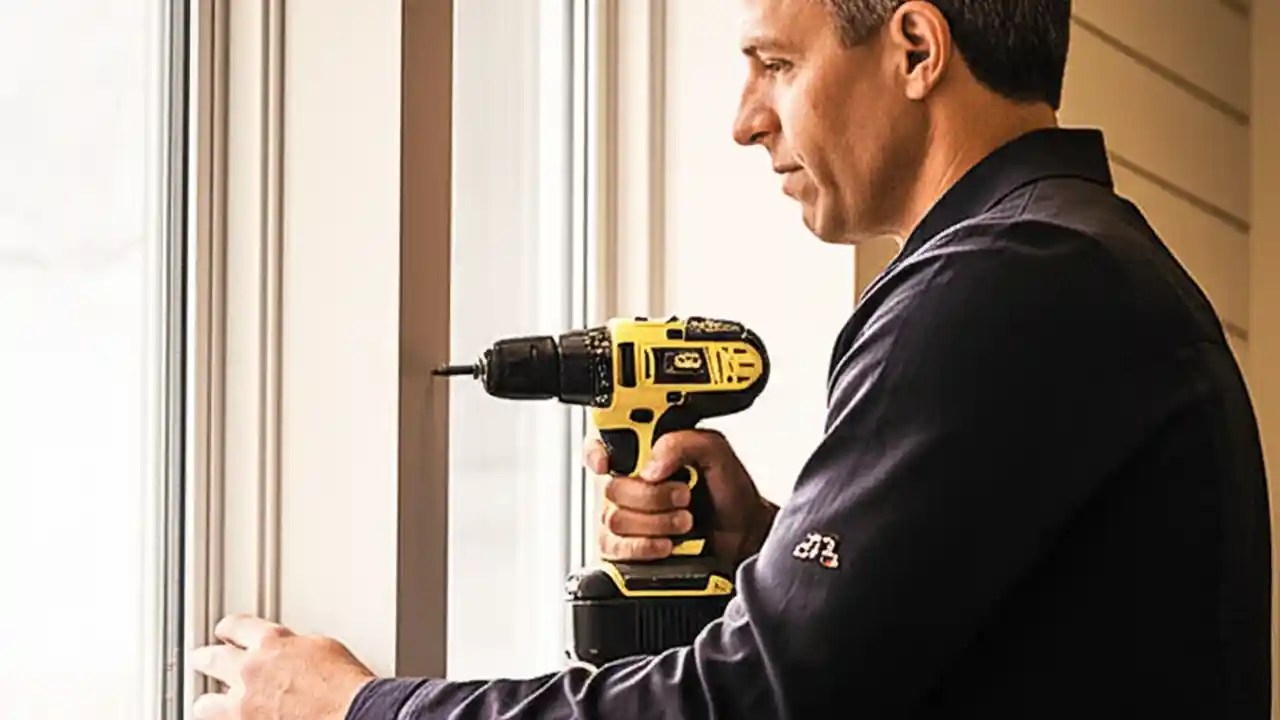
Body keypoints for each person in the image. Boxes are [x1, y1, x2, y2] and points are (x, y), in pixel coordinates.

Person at [192, 0, 1272, 717]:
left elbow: (749, 703)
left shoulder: (1002, 281)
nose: (743, 120)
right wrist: (770, 547)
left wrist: (353, 706)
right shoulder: (1081, 261)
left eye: (774, 63)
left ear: (912, 49)